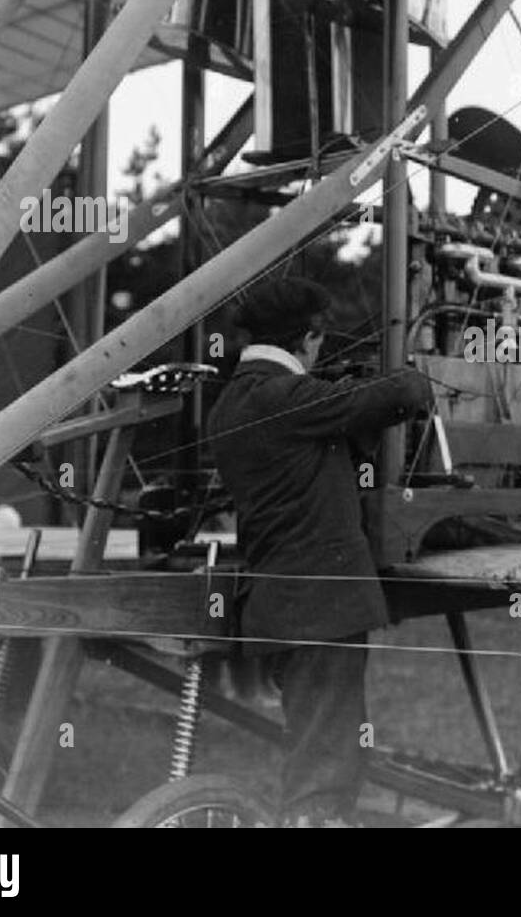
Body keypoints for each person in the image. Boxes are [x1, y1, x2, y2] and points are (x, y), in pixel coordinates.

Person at [207, 275, 433, 826]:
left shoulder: (232, 403)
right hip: (320, 609)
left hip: (281, 607)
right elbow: (404, 395)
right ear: (308, 338)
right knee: (325, 771)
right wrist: (418, 374)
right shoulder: (284, 397)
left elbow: (315, 441)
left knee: (317, 747)